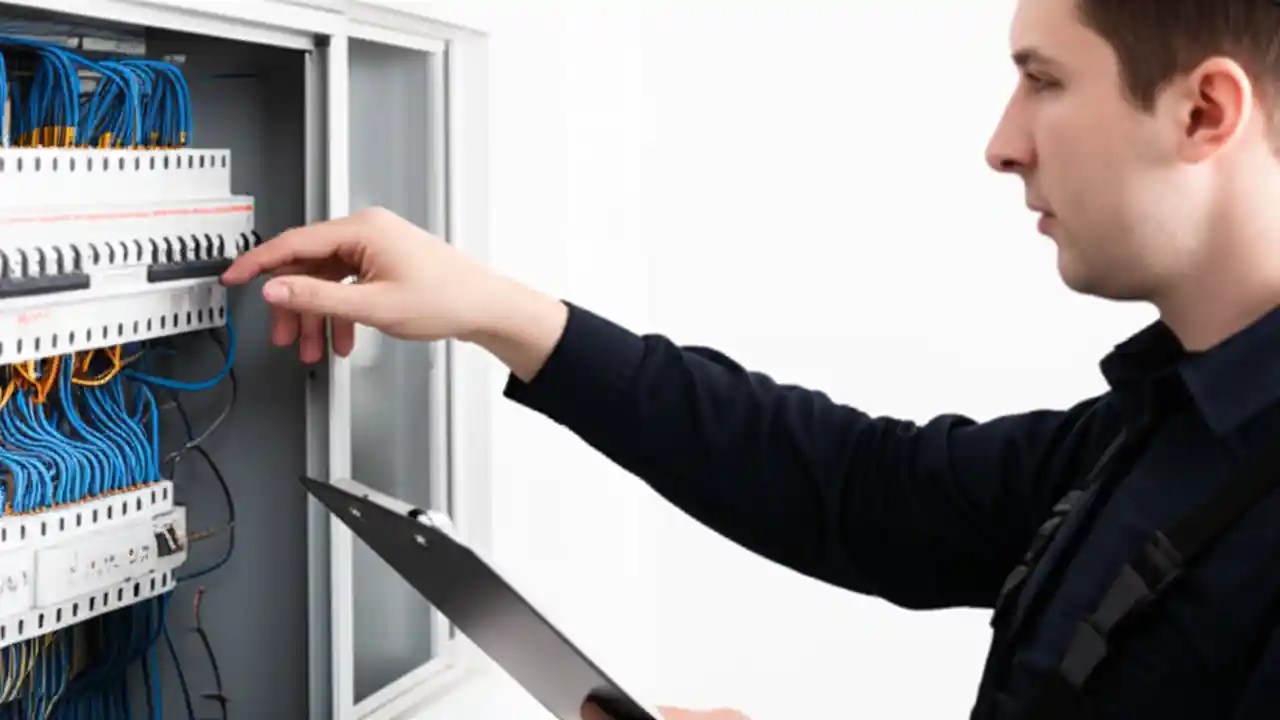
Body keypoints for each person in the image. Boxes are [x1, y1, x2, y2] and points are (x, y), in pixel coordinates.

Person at [221, 0, 1280, 716]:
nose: (1003, 144)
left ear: (1203, 112)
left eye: (1043, 80)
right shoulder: (1157, 427)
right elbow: (868, 490)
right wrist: (503, 313)